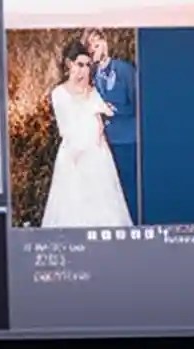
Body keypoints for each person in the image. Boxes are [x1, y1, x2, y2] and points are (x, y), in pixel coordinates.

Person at [40, 41, 133, 229]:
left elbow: (101, 117)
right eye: (79, 65)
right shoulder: (59, 93)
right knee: (74, 205)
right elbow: (65, 127)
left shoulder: (92, 91)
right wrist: (79, 149)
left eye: (88, 66)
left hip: (98, 153)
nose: (84, 70)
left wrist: (101, 129)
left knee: (104, 205)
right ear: (69, 64)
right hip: (74, 155)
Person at [84, 29, 138, 224]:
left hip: (127, 139)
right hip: (104, 143)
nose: (94, 51)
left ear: (105, 43)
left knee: (129, 188)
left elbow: (140, 104)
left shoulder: (125, 70)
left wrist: (116, 110)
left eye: (96, 46)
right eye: (90, 49)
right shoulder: (91, 75)